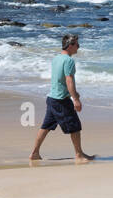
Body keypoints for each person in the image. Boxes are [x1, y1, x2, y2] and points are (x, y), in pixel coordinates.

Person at [29, 34, 95, 163]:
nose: (78, 47)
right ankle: (79, 155)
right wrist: (75, 99)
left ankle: (35, 153)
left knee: (46, 127)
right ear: (70, 45)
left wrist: (75, 93)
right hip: (61, 100)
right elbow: (68, 80)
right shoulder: (69, 61)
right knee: (75, 126)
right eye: (77, 44)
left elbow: (59, 80)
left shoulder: (56, 58)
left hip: (52, 98)